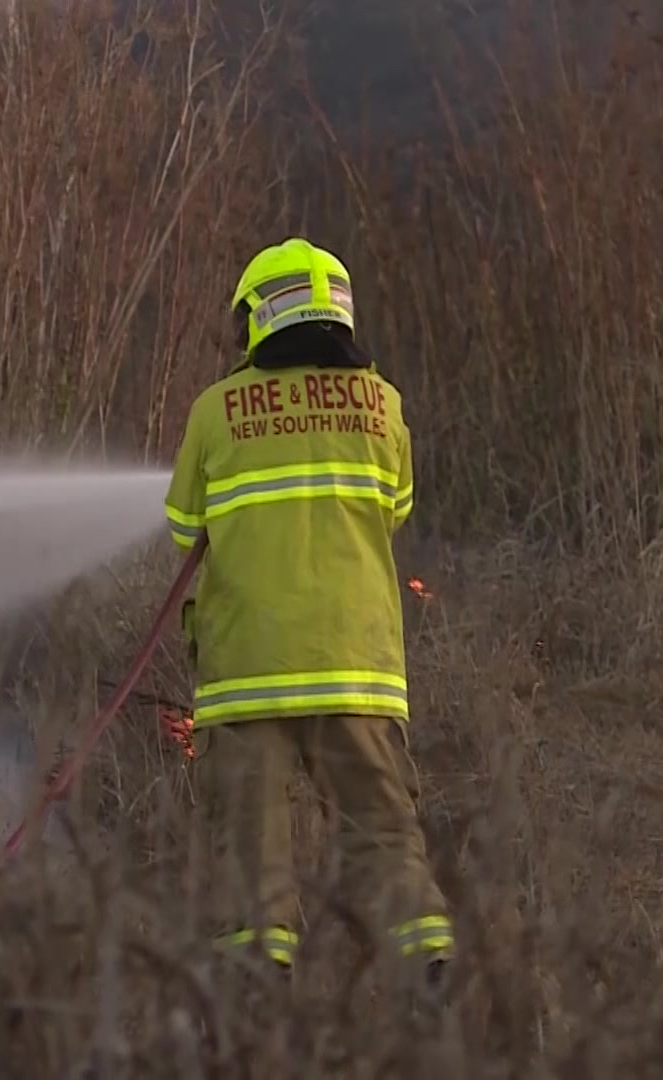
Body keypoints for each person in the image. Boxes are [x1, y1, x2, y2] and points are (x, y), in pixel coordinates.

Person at [163, 237, 453, 994]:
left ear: (256, 318)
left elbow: (181, 527)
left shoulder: (215, 411)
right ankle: (429, 975)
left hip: (246, 678)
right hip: (359, 670)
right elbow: (395, 508)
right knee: (385, 834)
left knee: (252, 853)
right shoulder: (383, 405)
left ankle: (257, 1002)